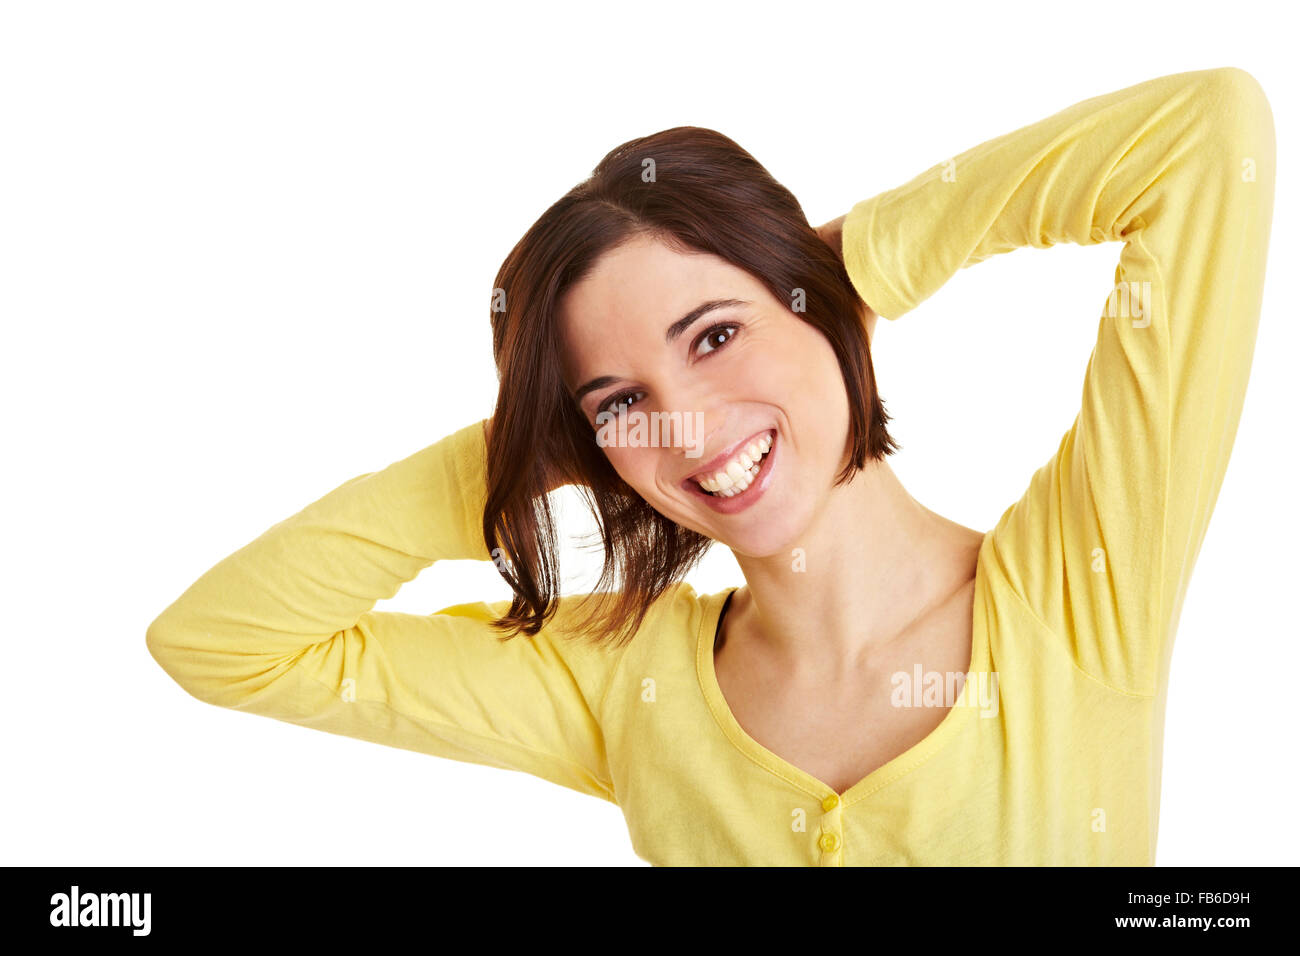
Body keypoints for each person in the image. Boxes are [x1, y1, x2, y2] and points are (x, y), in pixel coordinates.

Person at [147, 67, 1275, 865]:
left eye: (717, 334)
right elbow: (219, 644)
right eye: (622, 401)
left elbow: (1206, 136)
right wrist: (519, 448)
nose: (687, 432)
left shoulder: (1086, 592)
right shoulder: (620, 685)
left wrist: (859, 260)